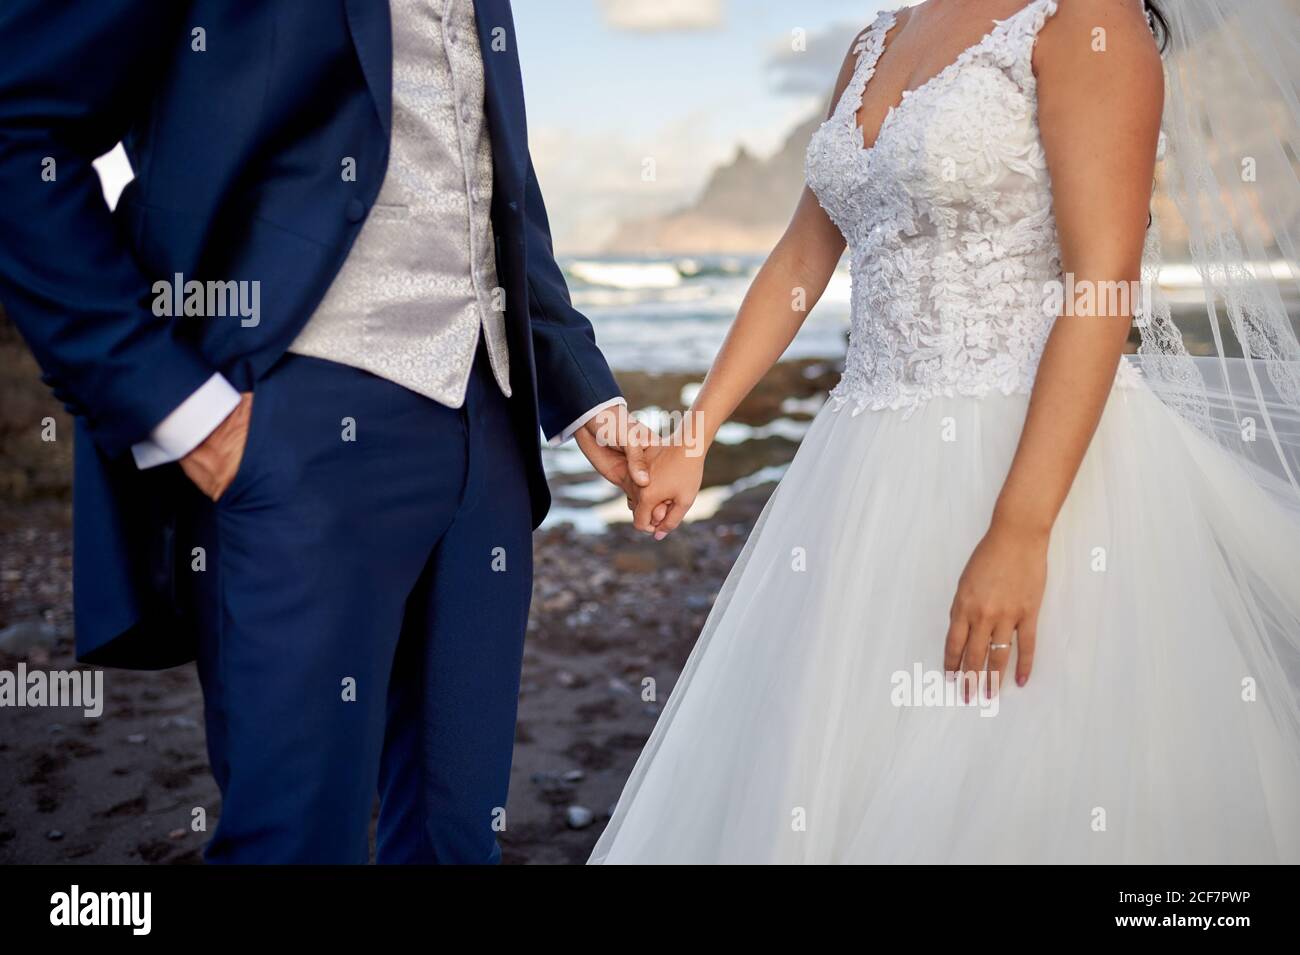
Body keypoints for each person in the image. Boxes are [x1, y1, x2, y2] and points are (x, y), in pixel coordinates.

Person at [593, 0, 1300, 863]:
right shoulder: (871, 42)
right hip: (858, 463)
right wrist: (696, 433)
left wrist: (1021, 529)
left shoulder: (1084, 21)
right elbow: (801, 259)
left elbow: (1103, 285)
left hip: (1037, 461)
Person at [0, 0, 651, 863]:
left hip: (488, 428)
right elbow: (19, 126)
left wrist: (581, 391)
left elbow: (495, 181)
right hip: (292, 428)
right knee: (296, 841)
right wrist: (177, 406)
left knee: (457, 839)